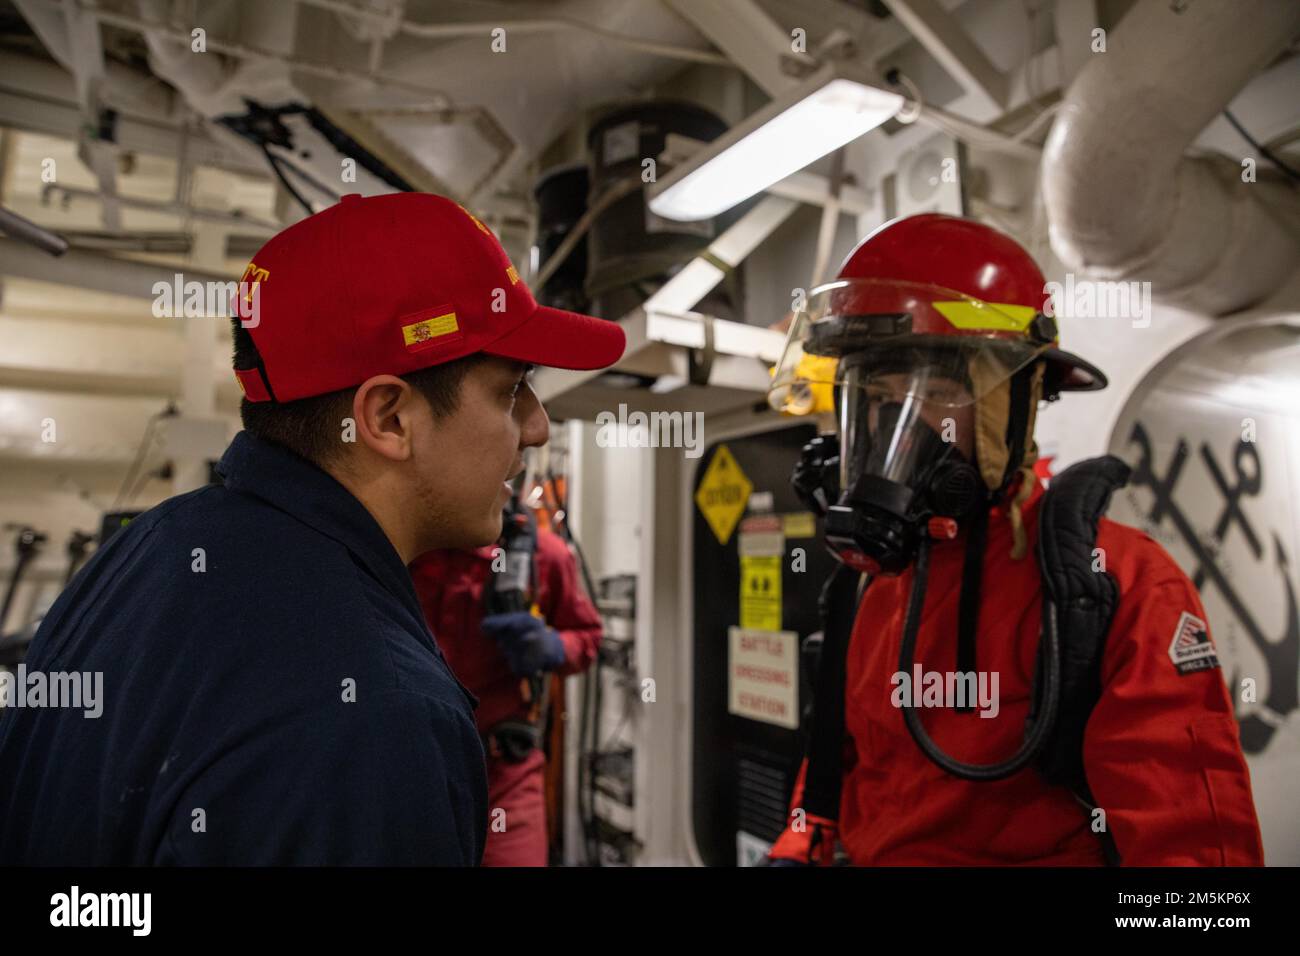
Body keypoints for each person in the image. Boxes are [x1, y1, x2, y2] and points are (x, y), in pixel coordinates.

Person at [0, 192, 624, 865]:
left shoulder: (151, 546)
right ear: (387, 418)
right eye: (510, 390)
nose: (538, 427)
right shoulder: (383, 722)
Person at [766, 213, 1263, 866]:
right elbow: (838, 769)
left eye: (938, 392)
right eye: (876, 395)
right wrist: (797, 845)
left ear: (1017, 406)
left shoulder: (1117, 586)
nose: (898, 427)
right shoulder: (867, 585)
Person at [410, 496, 602, 866]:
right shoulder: (400, 550)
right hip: (410, 767)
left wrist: (554, 647)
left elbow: (588, 636)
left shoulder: (545, 556)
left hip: (504, 775)